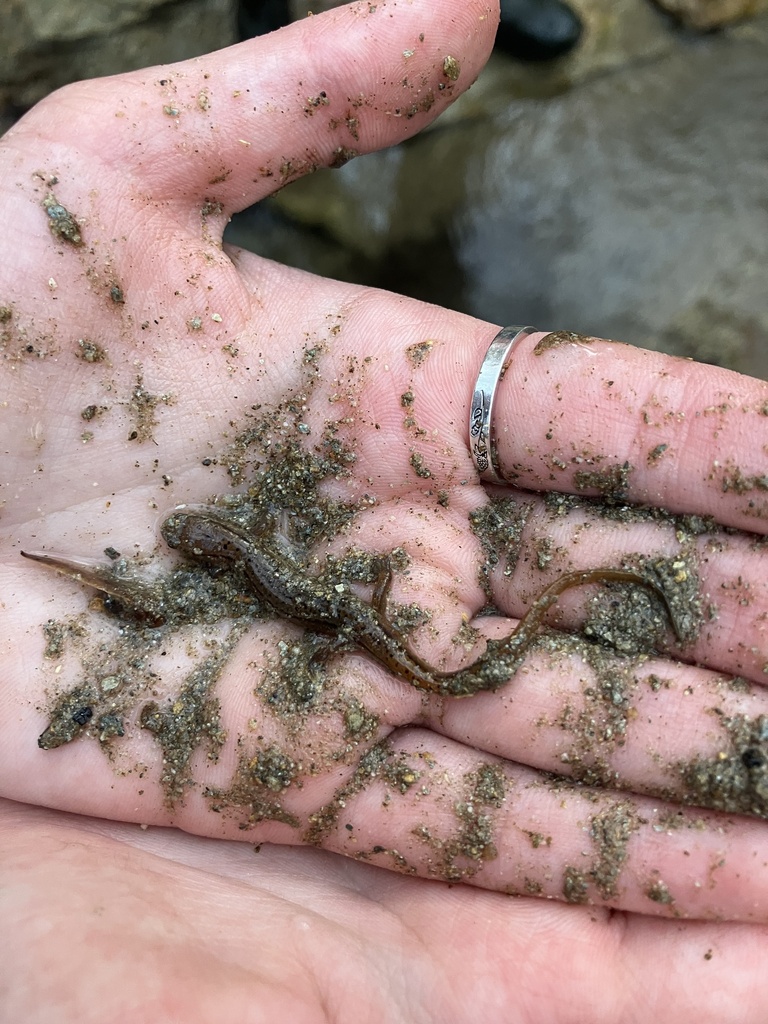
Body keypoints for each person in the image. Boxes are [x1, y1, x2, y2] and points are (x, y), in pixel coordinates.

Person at [1, 1, 767, 1019]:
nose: (205, 542)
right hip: (345, 612)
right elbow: (264, 574)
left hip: (349, 615)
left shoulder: (255, 564)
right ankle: (600, 580)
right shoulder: (262, 560)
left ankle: (602, 579)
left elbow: (258, 577)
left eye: (209, 540)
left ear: (225, 546)